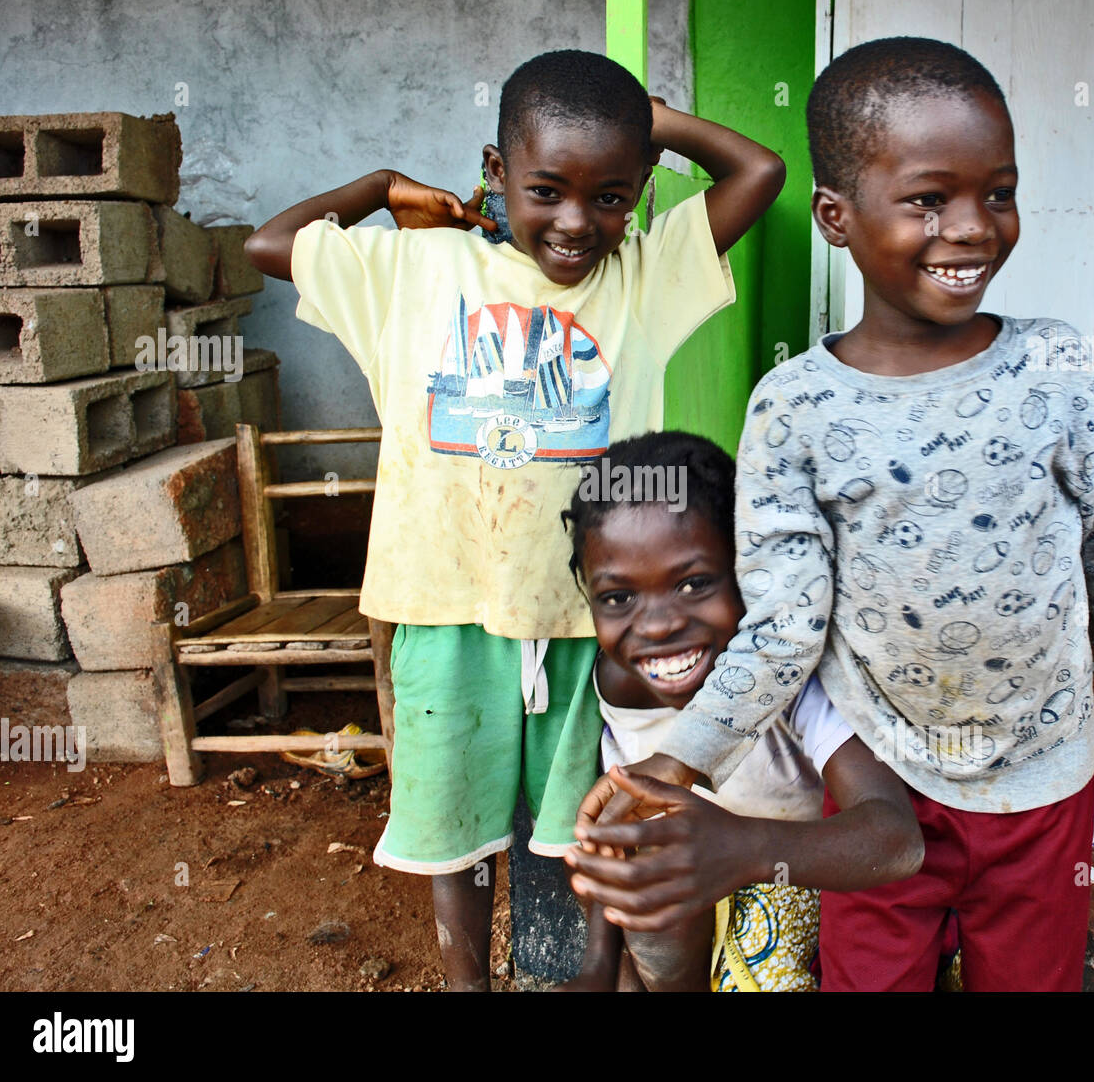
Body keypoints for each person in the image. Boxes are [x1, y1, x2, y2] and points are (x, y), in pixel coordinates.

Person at [576, 37, 1094, 992]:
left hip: (1043, 785)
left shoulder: (1058, 370)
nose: (973, 227)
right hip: (881, 793)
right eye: (930, 199)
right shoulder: (795, 408)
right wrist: (683, 759)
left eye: (998, 193)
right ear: (836, 218)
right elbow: (784, 623)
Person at [244, 49, 785, 991]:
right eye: (547, 189)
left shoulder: (645, 277)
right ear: (496, 172)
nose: (578, 222)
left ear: (641, 190)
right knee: (454, 830)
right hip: (445, 604)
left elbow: (761, 173)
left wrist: (649, 119)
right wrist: (380, 185)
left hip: (590, 623)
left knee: (596, 821)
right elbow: (268, 243)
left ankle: (595, 974)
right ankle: (468, 983)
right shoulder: (414, 267)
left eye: (613, 196)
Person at [556, 431, 923, 991]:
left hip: (801, 874)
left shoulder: (791, 679)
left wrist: (745, 848)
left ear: (750, 571)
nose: (657, 625)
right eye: (618, 597)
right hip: (698, 894)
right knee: (650, 871)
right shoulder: (618, 683)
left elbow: (896, 840)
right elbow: (615, 836)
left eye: (694, 583)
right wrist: (597, 968)